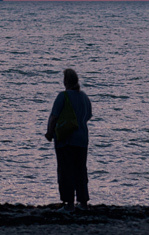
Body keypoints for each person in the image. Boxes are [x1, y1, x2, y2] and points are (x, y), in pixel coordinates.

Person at [43, 68, 92, 209]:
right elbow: (88, 116)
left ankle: (68, 202)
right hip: (82, 139)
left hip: (65, 140)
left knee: (65, 171)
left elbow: (54, 117)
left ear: (65, 81)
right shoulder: (84, 97)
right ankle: (83, 202)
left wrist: (49, 133)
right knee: (80, 171)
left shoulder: (62, 96)